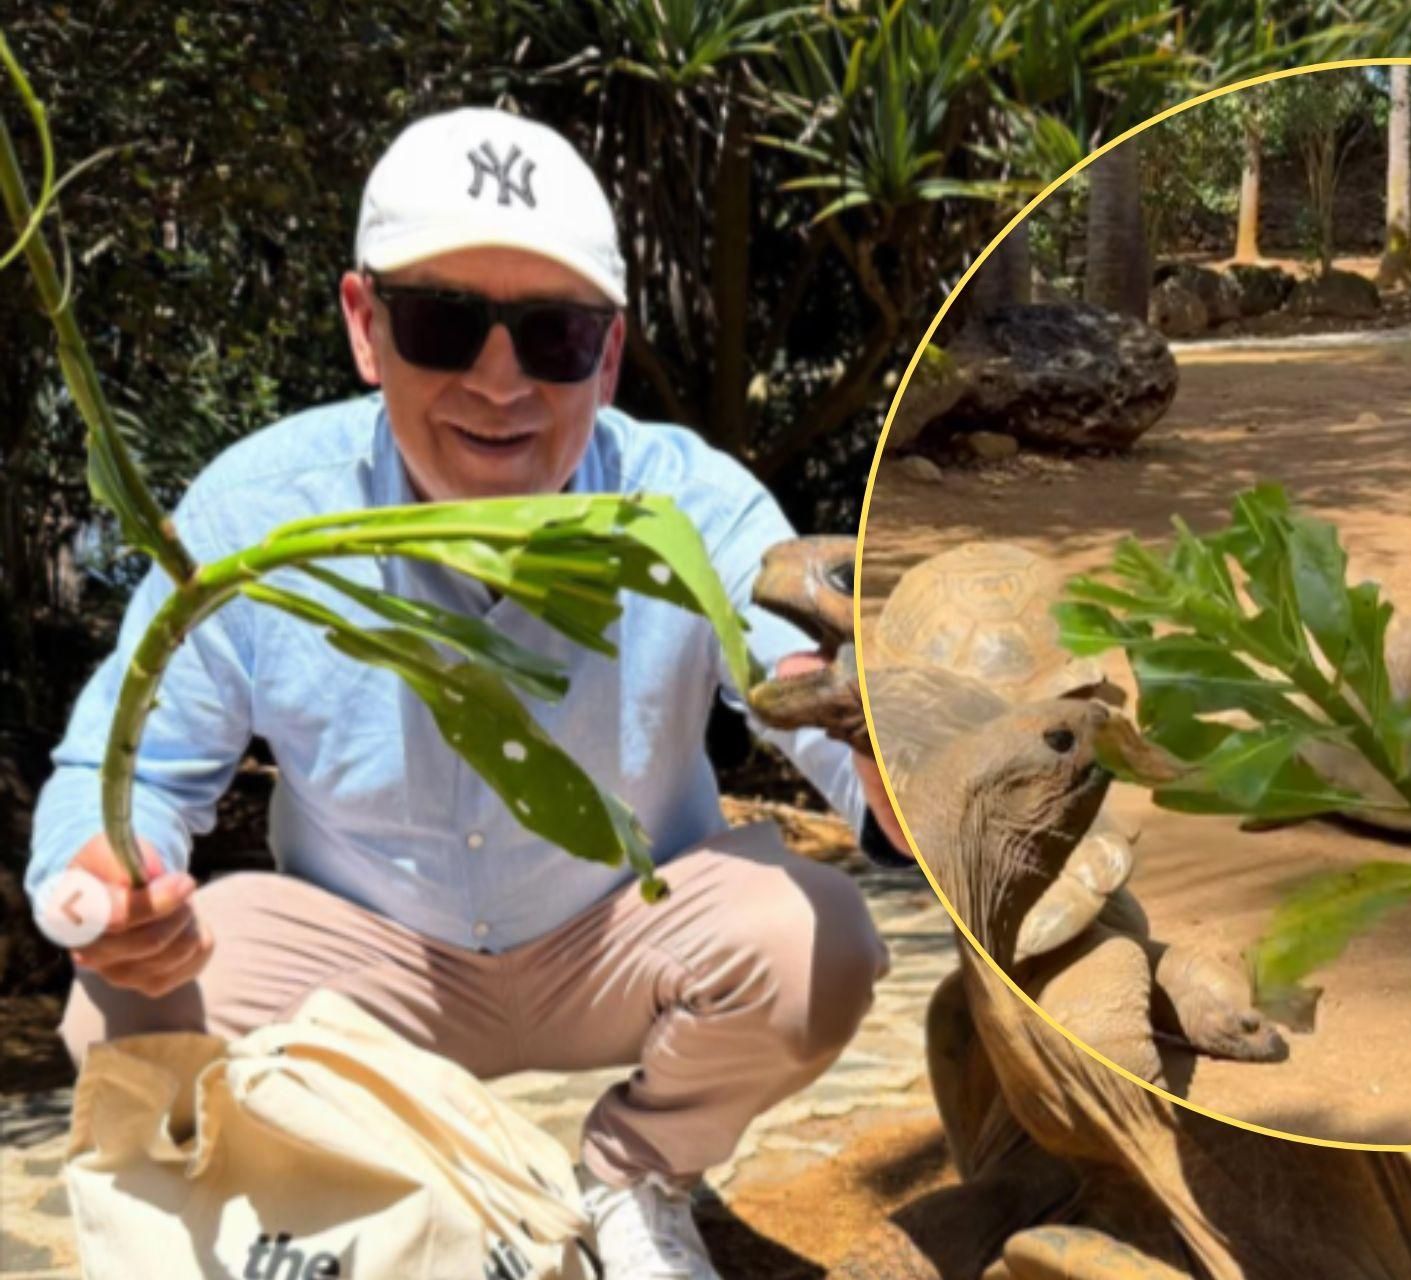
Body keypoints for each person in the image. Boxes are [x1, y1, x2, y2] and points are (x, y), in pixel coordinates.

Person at [26, 106, 908, 1280]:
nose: (500, 381)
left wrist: (899, 764)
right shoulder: (260, 516)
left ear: (607, 354)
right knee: (121, 1004)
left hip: (618, 930)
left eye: (553, 335)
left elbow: (803, 674)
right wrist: (105, 882)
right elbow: (121, 772)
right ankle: (331, 1201)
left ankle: (635, 1175)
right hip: (369, 952)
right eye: (443, 322)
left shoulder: (687, 504)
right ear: (366, 325)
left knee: (817, 941)